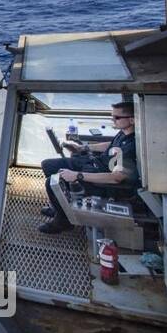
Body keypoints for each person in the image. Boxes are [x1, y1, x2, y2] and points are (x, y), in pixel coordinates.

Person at [39, 100, 141, 234]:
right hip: (93, 164)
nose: (113, 120)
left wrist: (77, 175)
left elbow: (116, 178)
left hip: (103, 182)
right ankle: (60, 207)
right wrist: (82, 148)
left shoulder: (130, 147)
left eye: (117, 117)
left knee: (52, 181)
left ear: (132, 120)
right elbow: (110, 145)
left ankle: (64, 221)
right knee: (48, 165)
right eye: (112, 117)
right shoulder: (124, 132)